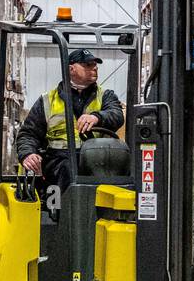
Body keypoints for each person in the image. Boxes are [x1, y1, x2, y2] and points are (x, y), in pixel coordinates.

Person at [16, 49, 125, 194]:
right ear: (71, 69)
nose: (95, 68)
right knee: (68, 168)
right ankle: (67, 214)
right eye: (88, 65)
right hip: (59, 158)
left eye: (95, 65)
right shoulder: (48, 100)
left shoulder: (106, 95)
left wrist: (97, 117)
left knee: (122, 164)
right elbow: (29, 133)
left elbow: (116, 114)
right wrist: (27, 153)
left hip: (98, 155)